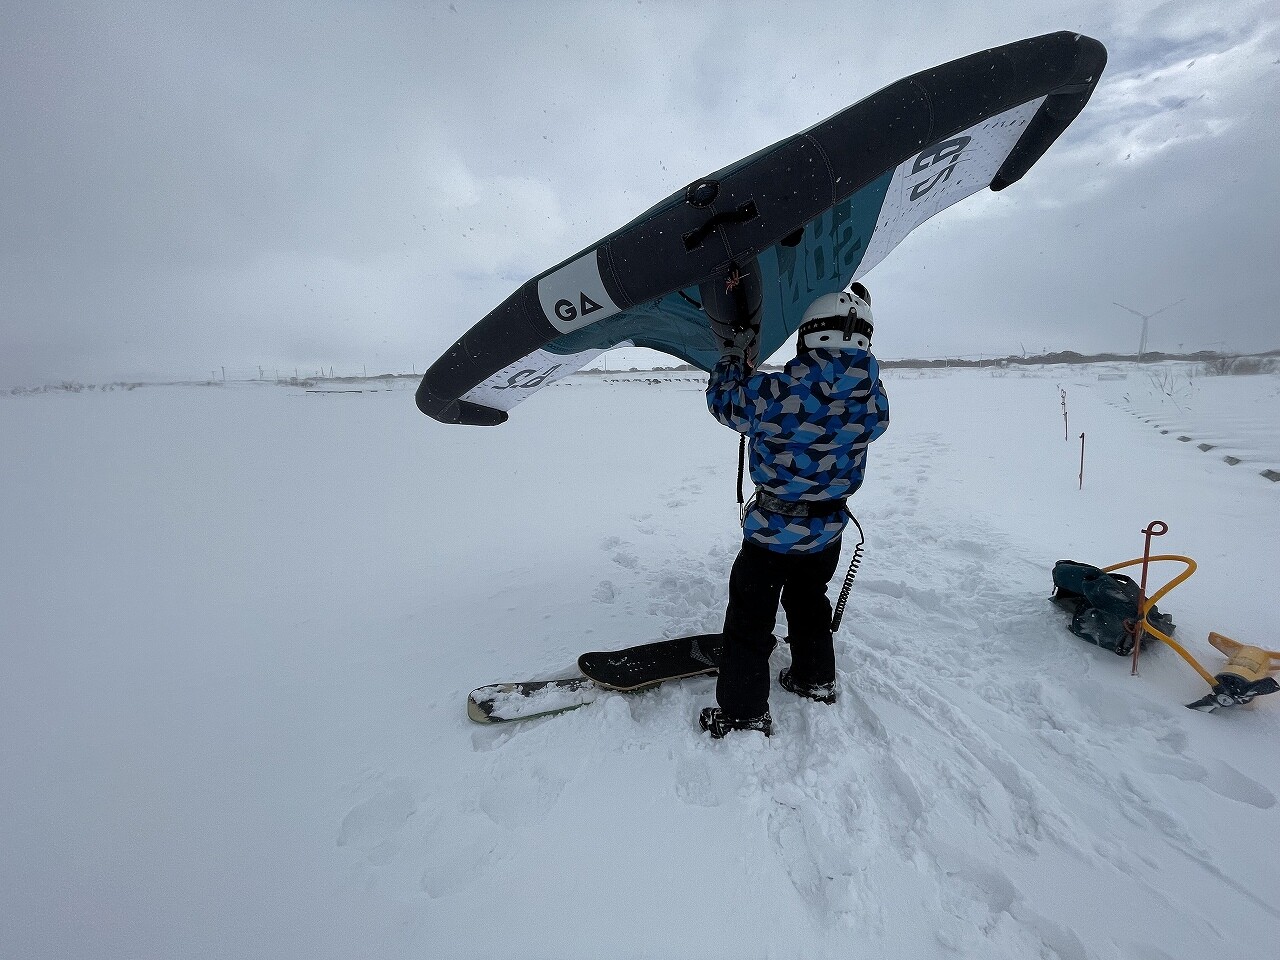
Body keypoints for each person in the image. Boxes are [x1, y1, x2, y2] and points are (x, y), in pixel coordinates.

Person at [700, 281, 890, 737]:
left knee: (750, 619)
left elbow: (724, 402)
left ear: (809, 337)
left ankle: (743, 711)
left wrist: (731, 359)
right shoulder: (873, 402)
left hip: (771, 534)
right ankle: (815, 678)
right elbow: (850, 387)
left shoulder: (775, 394)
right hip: (827, 530)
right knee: (809, 601)